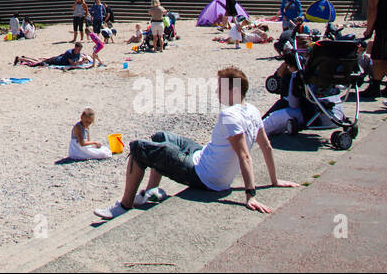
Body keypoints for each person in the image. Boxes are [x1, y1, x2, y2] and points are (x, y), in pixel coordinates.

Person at [92, 67, 298, 219]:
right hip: (203, 156)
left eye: (220, 88)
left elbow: (245, 155)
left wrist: (250, 195)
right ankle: (149, 192)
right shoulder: (252, 110)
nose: (217, 92)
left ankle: (125, 205)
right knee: (160, 136)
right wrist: (274, 180)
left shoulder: (229, 116)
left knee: (138, 148)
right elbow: (266, 146)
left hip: (203, 175)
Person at [15, 42, 89, 68]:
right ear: (75, 47)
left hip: (58, 58)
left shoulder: (78, 53)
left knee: (41, 60)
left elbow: (77, 60)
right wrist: (81, 62)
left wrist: (82, 61)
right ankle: (19, 59)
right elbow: (72, 64)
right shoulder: (69, 52)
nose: (79, 51)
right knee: (37, 62)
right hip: (55, 61)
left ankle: (23, 58)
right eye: (78, 49)